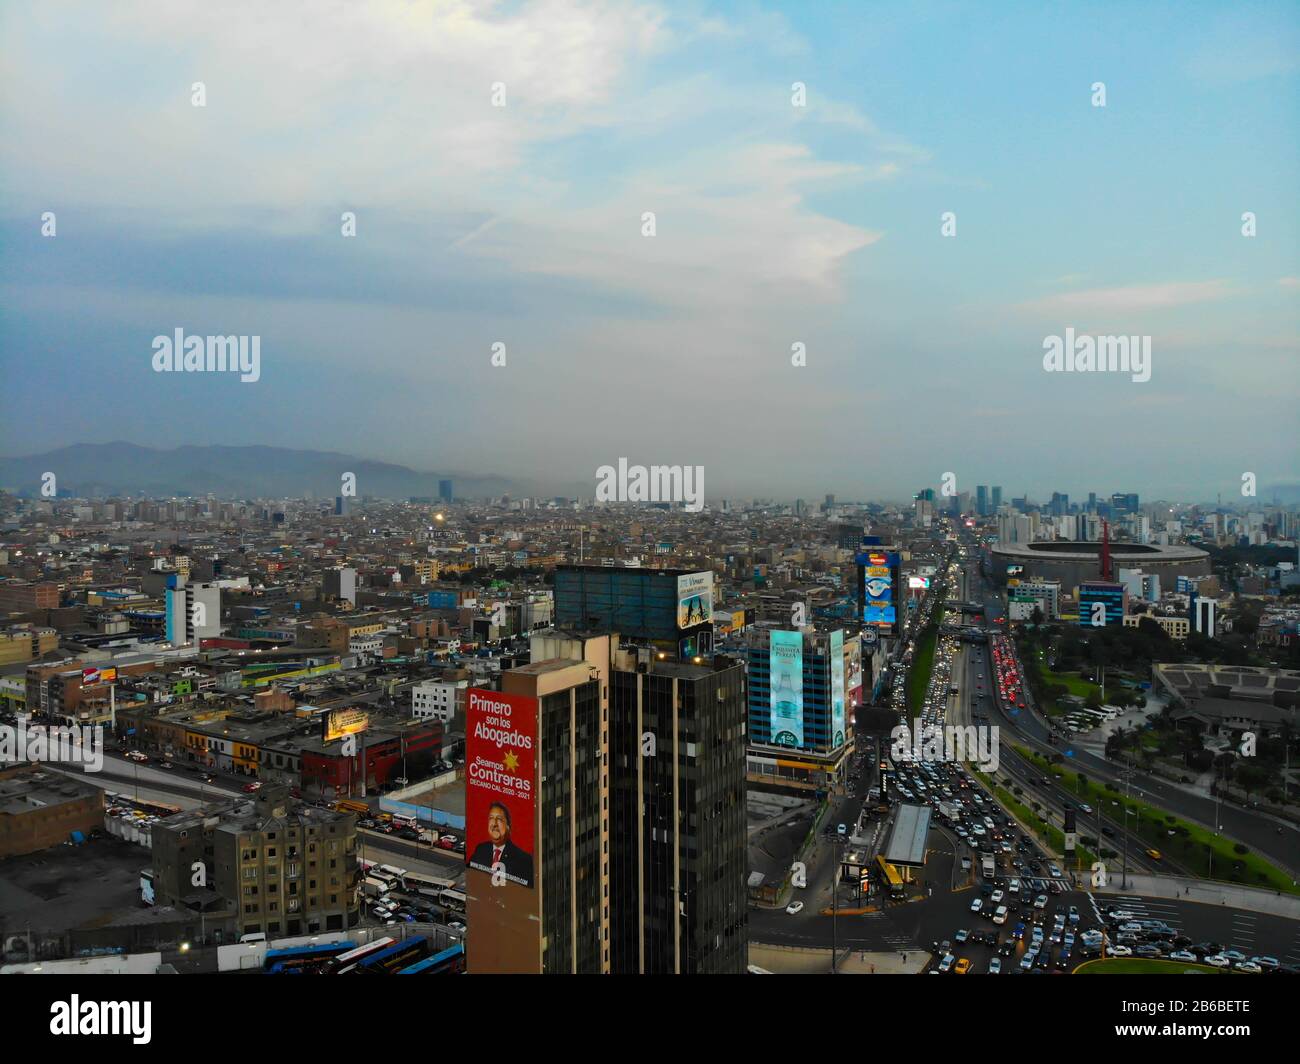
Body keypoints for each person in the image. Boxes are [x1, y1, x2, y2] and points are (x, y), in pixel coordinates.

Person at [469, 800, 534, 886]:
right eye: (491, 818)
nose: (494, 824)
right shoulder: (481, 849)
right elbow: (469, 875)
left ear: (508, 826)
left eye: (499, 819)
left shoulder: (524, 860)